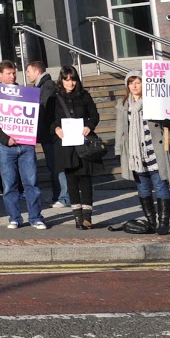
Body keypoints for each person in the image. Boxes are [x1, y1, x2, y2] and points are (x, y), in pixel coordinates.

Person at [0, 60, 46, 231]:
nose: (12, 76)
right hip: (5, 146)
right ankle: (14, 217)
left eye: (14, 73)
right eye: (8, 74)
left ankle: (35, 217)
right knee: (9, 184)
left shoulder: (25, 93)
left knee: (31, 183)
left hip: (26, 144)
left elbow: (34, 116)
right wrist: (5, 139)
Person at [115, 74, 170, 235]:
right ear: (127, 85)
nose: (134, 86)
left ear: (144, 85)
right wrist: (119, 149)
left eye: (138, 83)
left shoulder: (153, 102)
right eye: (131, 83)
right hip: (135, 153)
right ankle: (151, 222)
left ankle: (163, 223)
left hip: (154, 150)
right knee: (142, 187)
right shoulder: (123, 105)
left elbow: (168, 122)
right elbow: (120, 129)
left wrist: (167, 122)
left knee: (160, 184)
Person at [53, 66, 105, 229]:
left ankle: (87, 217)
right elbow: (51, 120)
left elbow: (94, 115)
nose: (70, 83)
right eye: (67, 79)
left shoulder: (84, 95)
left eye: (73, 79)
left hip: (83, 143)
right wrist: (56, 129)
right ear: (61, 80)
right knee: (71, 180)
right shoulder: (55, 98)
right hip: (67, 145)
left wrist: (89, 125)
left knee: (85, 179)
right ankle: (77, 217)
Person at [27, 60, 68, 210]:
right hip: (48, 133)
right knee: (54, 166)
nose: (27, 75)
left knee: (57, 166)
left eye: (29, 72)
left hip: (51, 134)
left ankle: (64, 197)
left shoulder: (48, 85)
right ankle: (58, 196)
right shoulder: (42, 85)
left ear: (37, 72)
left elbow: (43, 108)